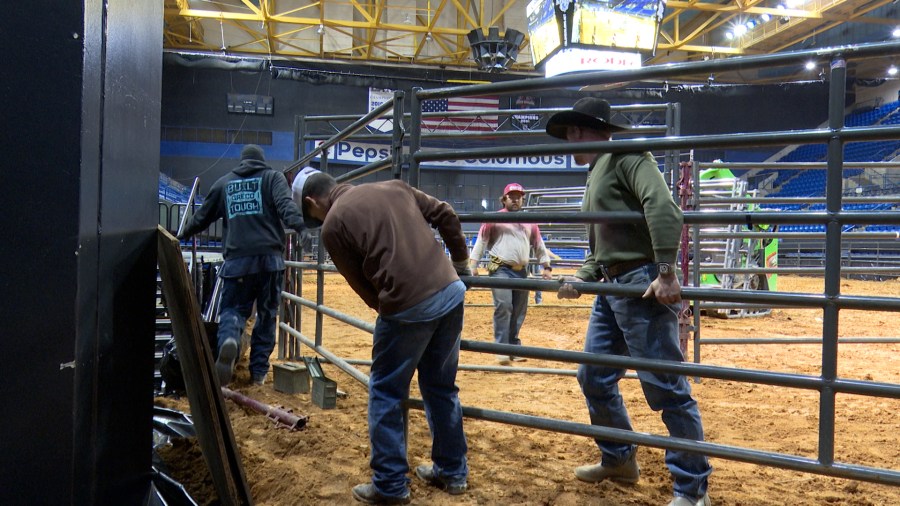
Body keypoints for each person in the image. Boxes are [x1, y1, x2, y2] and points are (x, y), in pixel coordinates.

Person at [546, 98, 712, 506]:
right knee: (594, 377)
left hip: (639, 285)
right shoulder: (597, 171)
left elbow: (663, 206)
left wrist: (666, 271)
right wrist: (584, 277)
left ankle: (693, 489)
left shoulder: (627, 154)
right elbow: (601, 243)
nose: (569, 141)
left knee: (666, 387)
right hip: (612, 288)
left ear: (589, 130)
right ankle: (619, 458)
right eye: (568, 134)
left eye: (573, 132)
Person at [293, 168, 471, 505]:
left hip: (406, 305)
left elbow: (361, 284)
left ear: (312, 201)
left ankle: (390, 485)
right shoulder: (395, 187)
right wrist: (460, 263)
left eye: (311, 214)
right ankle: (453, 472)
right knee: (441, 386)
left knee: (386, 391)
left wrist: (390, 308)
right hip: (450, 292)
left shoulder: (333, 224)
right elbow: (445, 213)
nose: (317, 219)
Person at [178, 144, 305, 387]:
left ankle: (230, 340)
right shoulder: (272, 178)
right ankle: (258, 374)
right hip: (270, 261)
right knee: (267, 316)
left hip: (238, 262)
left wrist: (181, 234)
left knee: (233, 310)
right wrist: (300, 226)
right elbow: (285, 206)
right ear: (262, 160)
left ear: (242, 161)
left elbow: (201, 217)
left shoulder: (224, 183)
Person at [469, 183, 554, 365]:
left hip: (521, 271)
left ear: (522, 199)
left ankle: (513, 347)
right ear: (504, 199)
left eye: (518, 196)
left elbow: (539, 246)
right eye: (512, 196)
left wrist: (546, 266)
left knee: (518, 310)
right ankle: (501, 349)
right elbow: (481, 242)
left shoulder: (530, 222)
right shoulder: (494, 219)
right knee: (504, 306)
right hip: (499, 267)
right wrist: (473, 263)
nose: (515, 199)